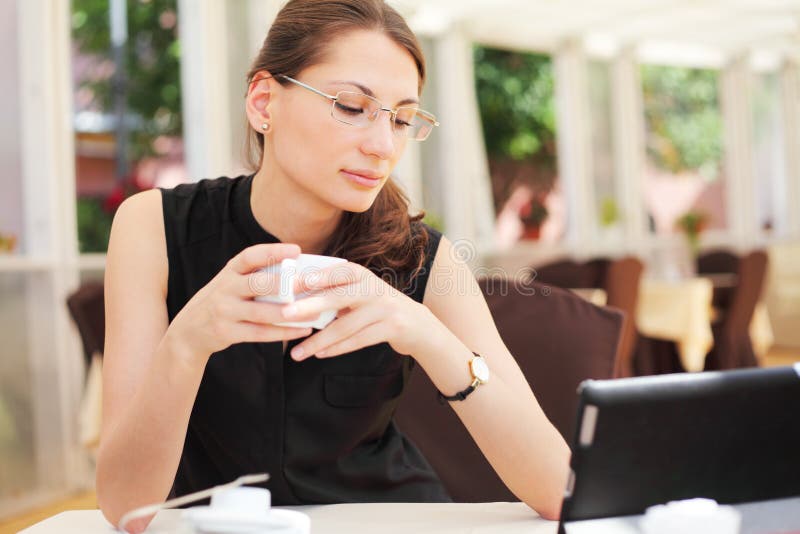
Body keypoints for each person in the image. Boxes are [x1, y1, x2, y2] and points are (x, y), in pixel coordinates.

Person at [96, 0, 570, 531]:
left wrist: (427, 335)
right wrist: (187, 343)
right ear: (263, 102)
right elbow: (123, 507)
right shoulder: (154, 228)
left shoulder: (425, 258)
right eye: (350, 106)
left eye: (402, 119)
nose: (382, 145)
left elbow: (559, 487)